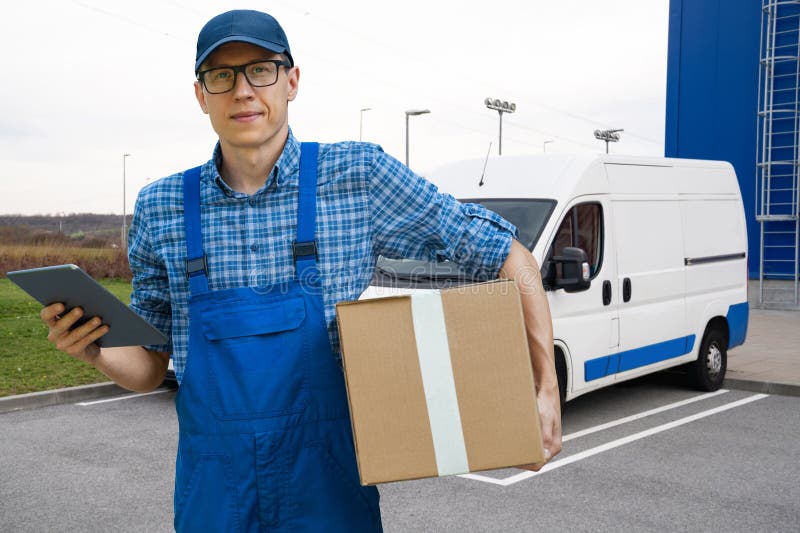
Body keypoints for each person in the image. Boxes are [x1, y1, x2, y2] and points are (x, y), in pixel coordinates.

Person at [40, 9, 562, 532]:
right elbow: (151, 365)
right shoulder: (162, 207)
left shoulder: (357, 176)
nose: (243, 90)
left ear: (291, 81)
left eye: (260, 70)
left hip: (329, 498)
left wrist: (544, 391)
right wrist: (95, 349)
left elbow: (509, 257)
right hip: (213, 502)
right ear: (201, 96)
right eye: (221, 76)